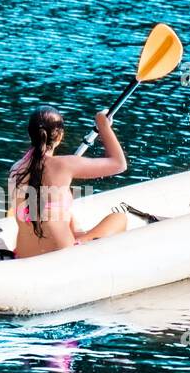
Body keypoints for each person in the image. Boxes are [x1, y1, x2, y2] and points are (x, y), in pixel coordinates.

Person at [8, 105, 129, 258]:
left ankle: (78, 236)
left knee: (63, 213)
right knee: (118, 218)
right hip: (62, 254)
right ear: (60, 136)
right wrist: (103, 125)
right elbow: (119, 164)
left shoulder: (16, 169)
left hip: (23, 255)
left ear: (30, 134)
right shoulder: (65, 165)